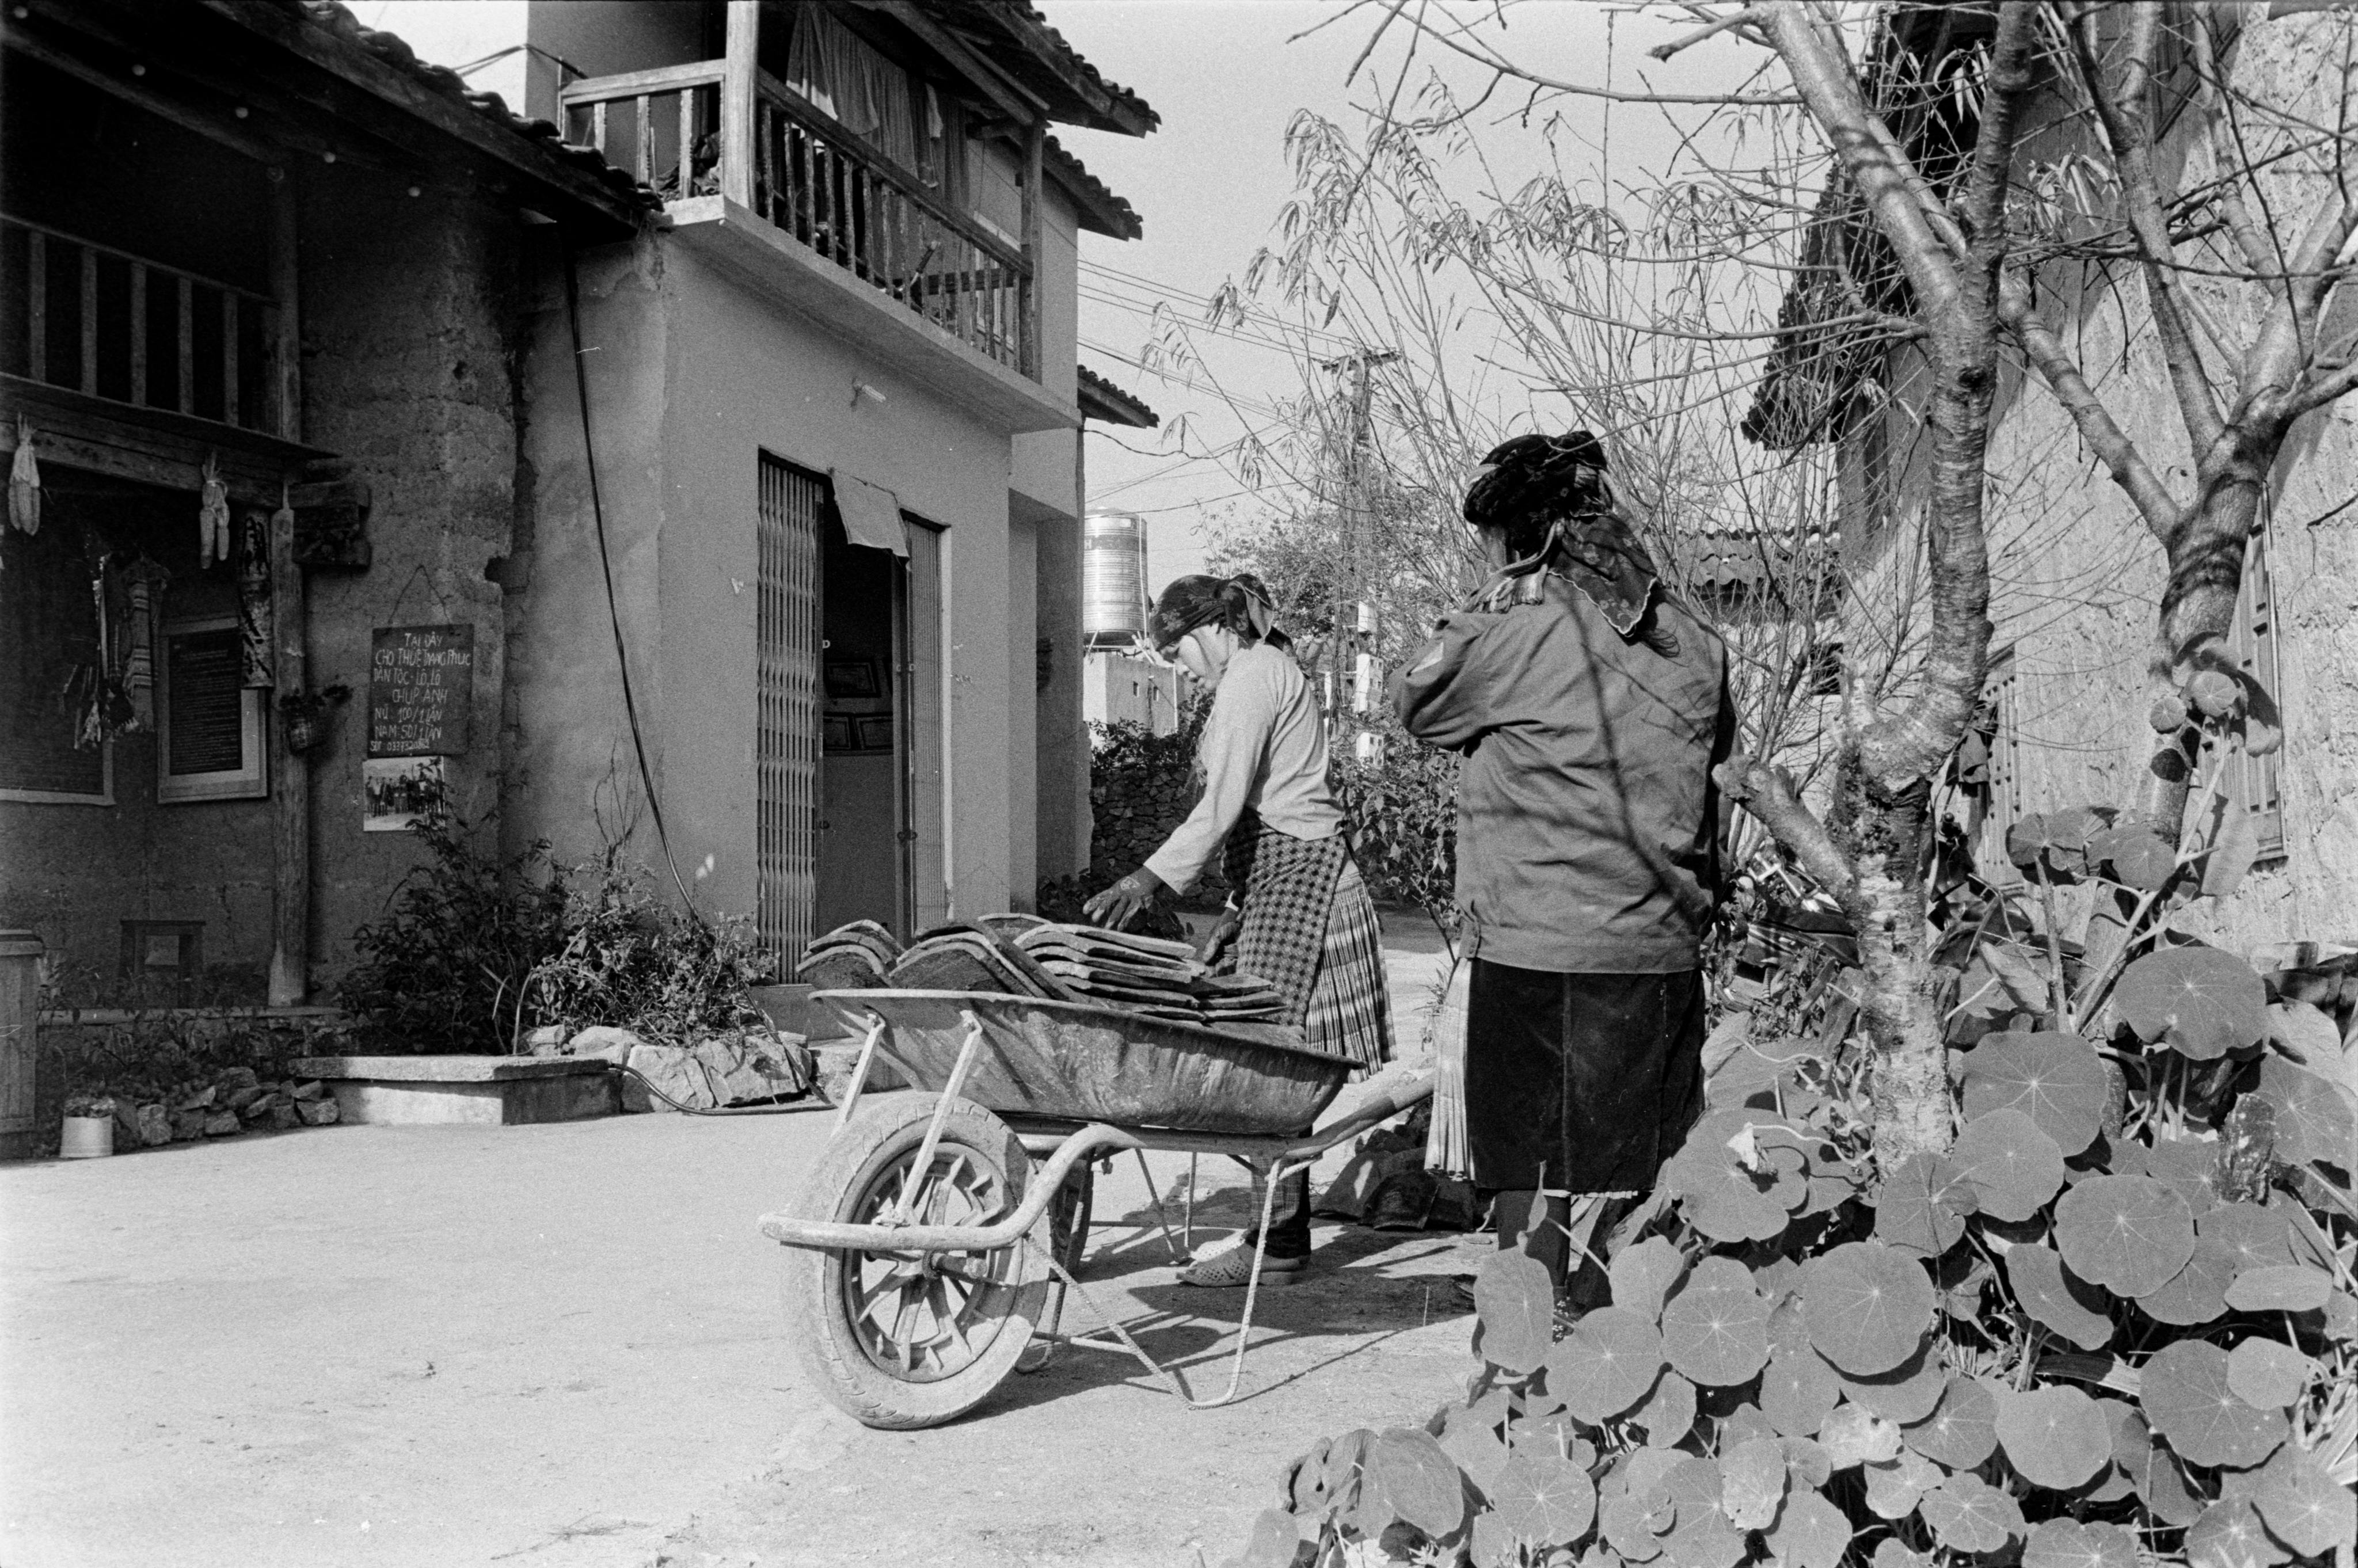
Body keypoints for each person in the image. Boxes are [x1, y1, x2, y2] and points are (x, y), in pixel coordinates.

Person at [1390, 431, 1735, 1311]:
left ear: (1522, 543)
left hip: (1539, 947)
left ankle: (1527, 1330)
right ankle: (1633, 1332)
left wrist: (1499, 594)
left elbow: (1417, 702)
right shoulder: (1695, 640)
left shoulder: (1515, 635)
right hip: (1659, 949)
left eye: (1492, 545)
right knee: (1647, 1162)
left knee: (1530, 1161)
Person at [1085, 573, 1393, 1287]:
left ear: (1213, 630)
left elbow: (1221, 806)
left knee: (1265, 1062)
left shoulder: (1252, 676)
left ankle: (1277, 1244)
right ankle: (1278, 1234)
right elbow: (1259, 803)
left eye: (1179, 652)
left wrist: (1144, 881)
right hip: (1279, 873)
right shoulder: (1264, 670)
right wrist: (1233, 906)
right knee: (1263, 1061)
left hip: (1302, 877)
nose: (1181, 668)